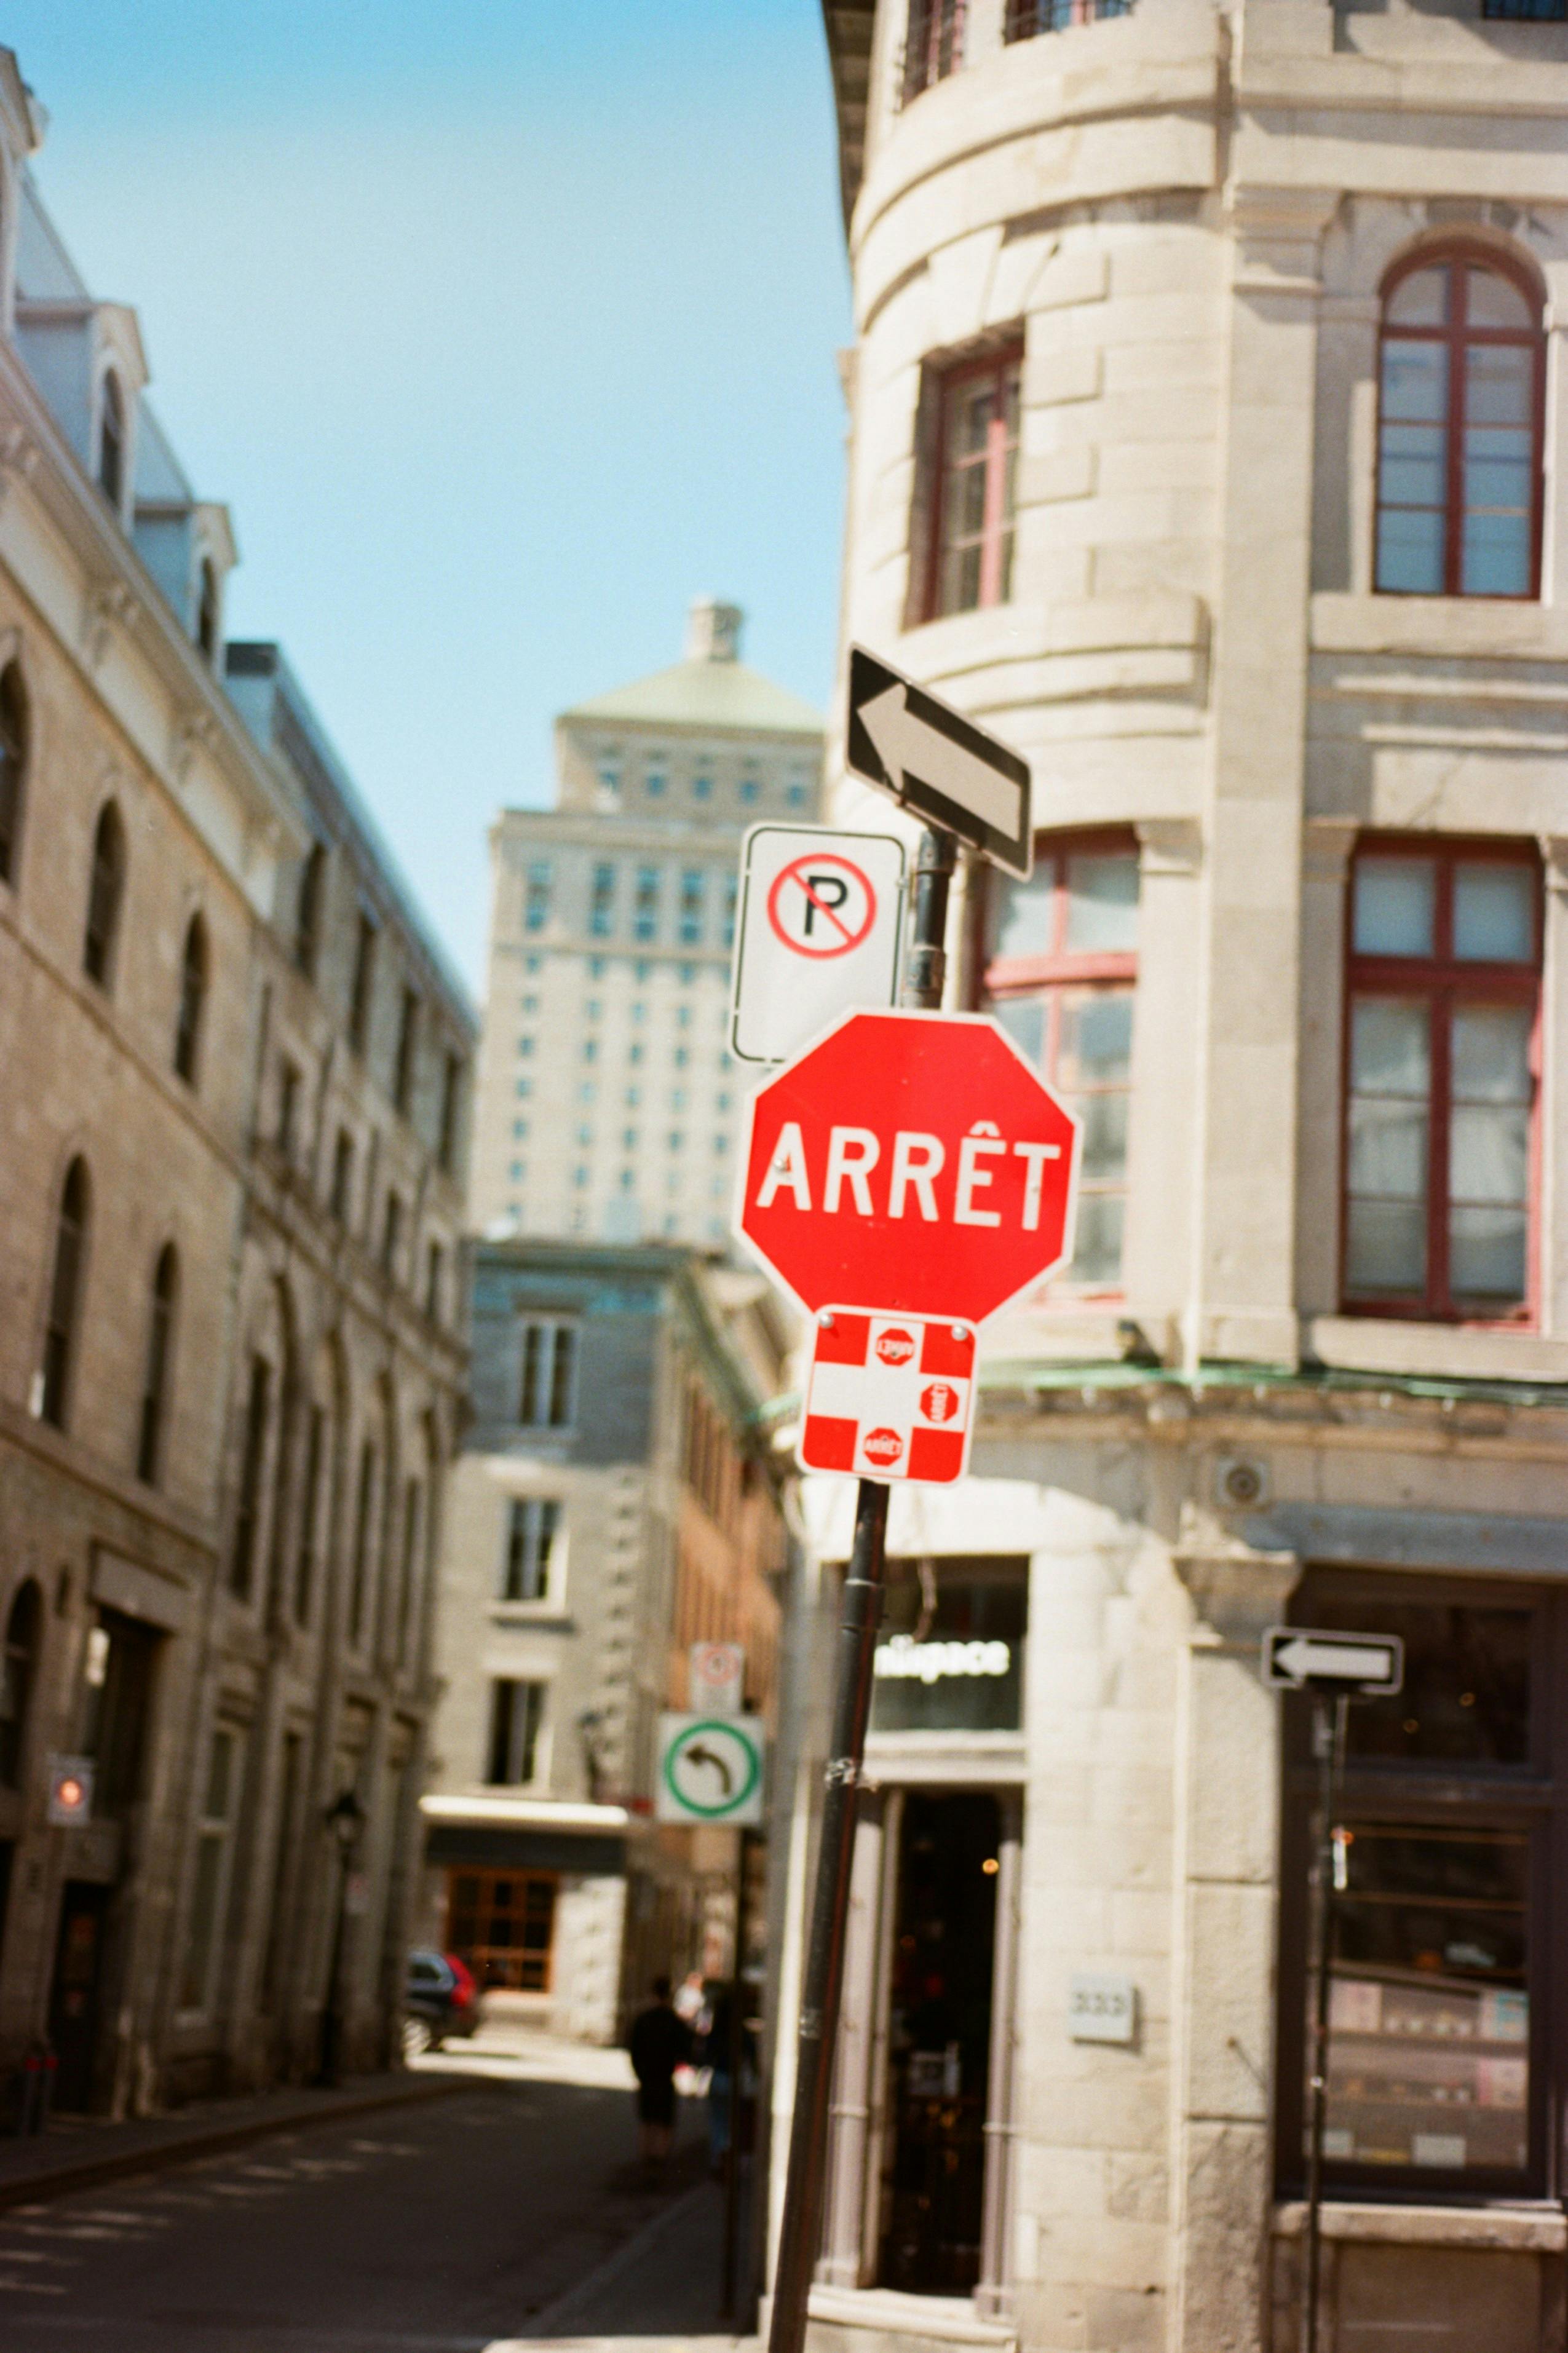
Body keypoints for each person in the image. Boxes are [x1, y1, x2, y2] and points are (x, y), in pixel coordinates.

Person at [628, 1975, 691, 2178]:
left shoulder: (644, 2020)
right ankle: (659, 2160)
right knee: (664, 2122)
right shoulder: (673, 2021)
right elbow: (685, 2049)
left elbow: (634, 2049)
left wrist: (639, 2072)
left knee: (647, 2121)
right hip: (664, 2077)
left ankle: (647, 2159)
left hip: (648, 2077)